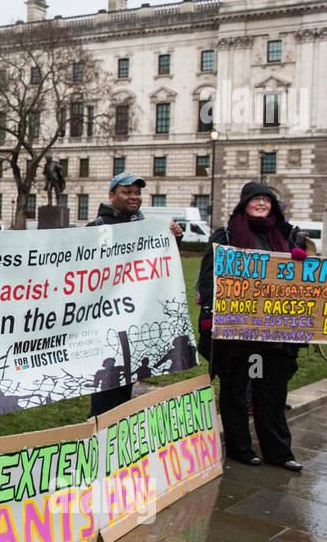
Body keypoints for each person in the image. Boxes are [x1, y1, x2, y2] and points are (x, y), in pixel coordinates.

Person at [196, 182, 305, 472]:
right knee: (235, 392)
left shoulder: (284, 236)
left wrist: (301, 262)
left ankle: (279, 452)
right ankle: (240, 449)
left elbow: (301, 281)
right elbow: (208, 276)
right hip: (237, 335)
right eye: (255, 199)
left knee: (271, 393)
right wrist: (209, 314)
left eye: (266, 200)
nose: (261, 204)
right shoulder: (227, 235)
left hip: (274, 336)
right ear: (244, 203)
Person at [84, 173, 183, 416]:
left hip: (136, 322)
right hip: (106, 323)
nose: (134, 197)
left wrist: (174, 240)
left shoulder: (146, 226)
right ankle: (98, 435)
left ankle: (116, 435)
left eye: (137, 192)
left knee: (125, 386)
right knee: (105, 389)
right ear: (111, 195)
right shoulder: (96, 229)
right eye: (127, 192)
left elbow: (159, 267)